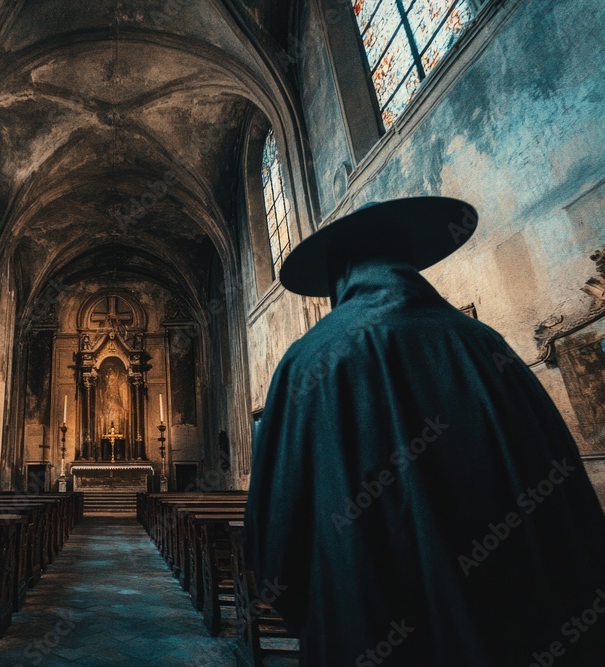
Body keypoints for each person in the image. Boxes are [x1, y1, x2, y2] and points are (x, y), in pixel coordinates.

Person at [245, 197, 605, 666]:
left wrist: (315, 611)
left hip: (368, 629)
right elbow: (565, 497)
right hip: (515, 629)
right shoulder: (483, 344)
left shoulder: (308, 362)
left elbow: (275, 531)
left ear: (339, 273)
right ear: (407, 258)